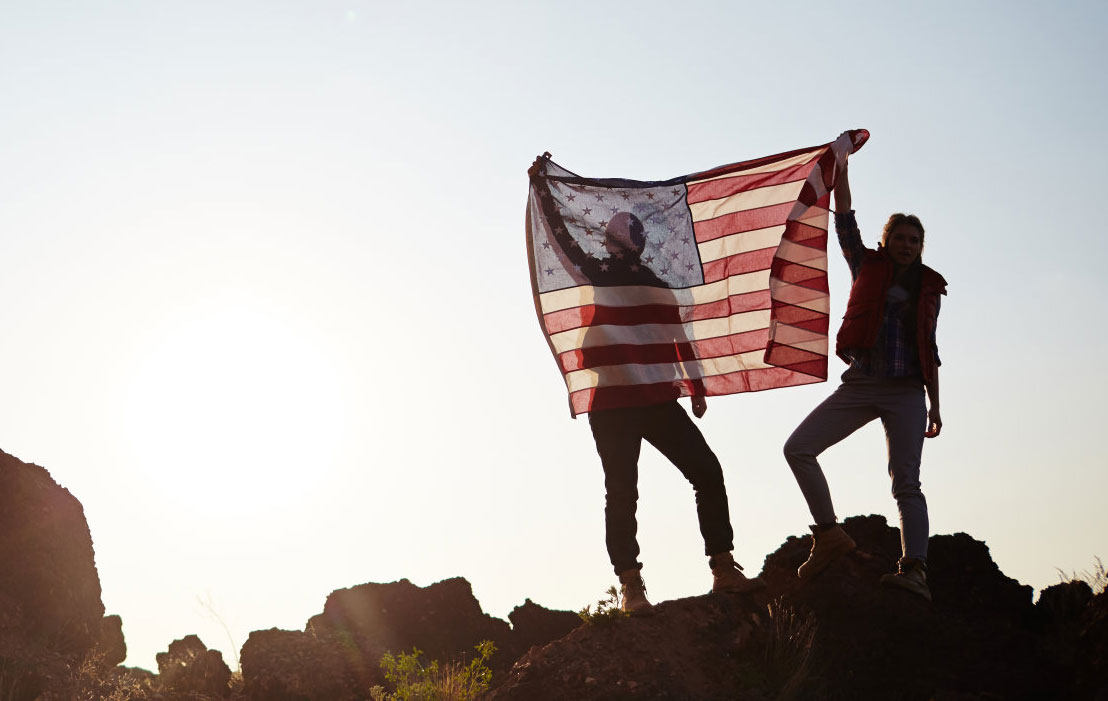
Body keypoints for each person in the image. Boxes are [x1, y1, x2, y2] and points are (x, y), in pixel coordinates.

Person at [584, 213, 766, 615]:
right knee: (622, 490)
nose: (621, 244)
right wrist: (543, 188)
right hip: (614, 402)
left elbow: (678, 334)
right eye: (616, 237)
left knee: (706, 471)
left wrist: (696, 385)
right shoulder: (600, 275)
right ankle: (631, 584)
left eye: (626, 238)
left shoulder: (657, 284)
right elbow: (565, 246)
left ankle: (722, 566)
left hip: (657, 400)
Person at [782, 159, 947, 601]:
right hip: (862, 384)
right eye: (899, 237)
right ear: (886, 240)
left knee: (905, 482)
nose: (907, 245)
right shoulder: (866, 265)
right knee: (798, 448)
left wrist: (935, 404)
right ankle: (829, 534)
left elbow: (929, 350)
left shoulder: (929, 288)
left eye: (914, 240)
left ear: (921, 246)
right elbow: (845, 217)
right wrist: (842, 167)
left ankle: (915, 569)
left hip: (908, 392)